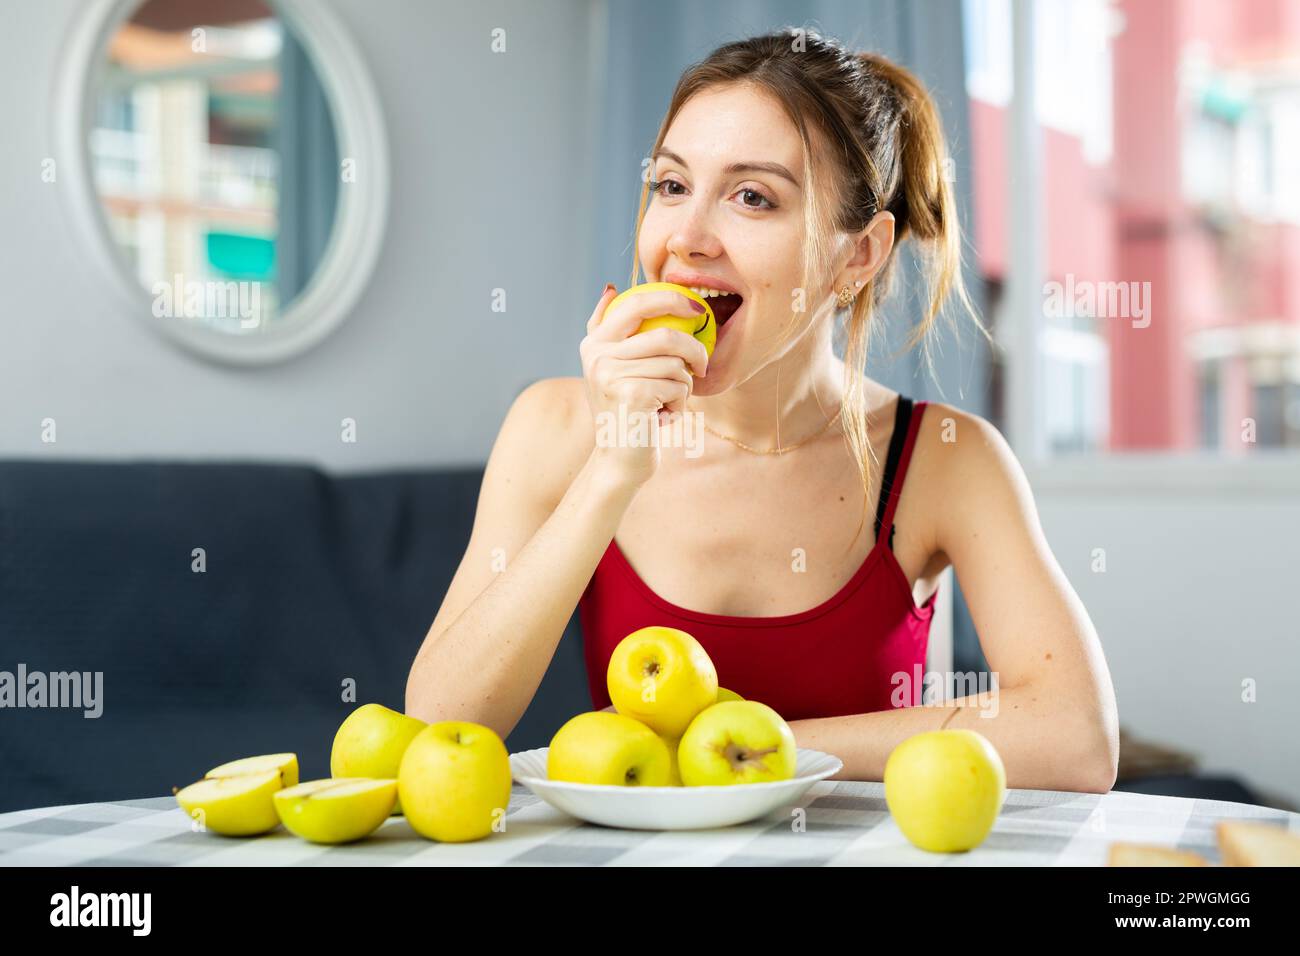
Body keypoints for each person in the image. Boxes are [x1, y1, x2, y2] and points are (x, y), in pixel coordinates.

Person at [407, 28, 1119, 792]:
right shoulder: (556, 426)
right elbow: (442, 720)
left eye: (753, 197)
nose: (685, 237)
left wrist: (763, 747)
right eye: (673, 185)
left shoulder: (944, 455)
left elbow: (1076, 735)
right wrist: (612, 467)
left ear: (859, 255)